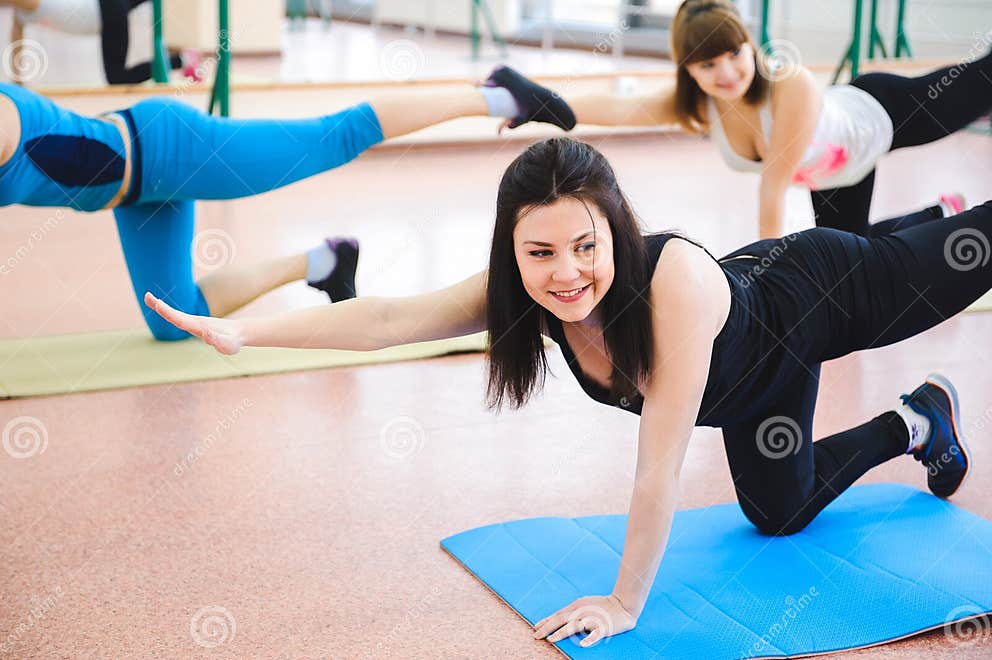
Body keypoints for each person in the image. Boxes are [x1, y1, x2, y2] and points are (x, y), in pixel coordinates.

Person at [143, 136, 982, 646]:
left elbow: (657, 470)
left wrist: (625, 602)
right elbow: (389, 319)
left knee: (965, 252)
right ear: (513, 249)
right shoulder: (527, 288)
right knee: (777, 510)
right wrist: (247, 331)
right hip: (757, 381)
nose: (567, 273)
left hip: (821, 293)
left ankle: (919, 233)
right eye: (539, 253)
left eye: (584, 245)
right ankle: (916, 422)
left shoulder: (674, 285)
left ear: (614, 228)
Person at [0, 77, 574, 338]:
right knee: (169, 322)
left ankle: (498, 95)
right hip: (138, 192)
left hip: (171, 150)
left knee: (336, 136)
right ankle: (322, 263)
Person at [491, 0, 991, 239]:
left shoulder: (789, 84)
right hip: (836, 173)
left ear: (749, 46)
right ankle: (939, 217)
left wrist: (770, 284)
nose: (727, 72)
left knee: (978, 83)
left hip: (880, 115)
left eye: (734, 54)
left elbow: (773, 189)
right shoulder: (696, 103)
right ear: (689, 70)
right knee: (853, 261)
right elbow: (616, 107)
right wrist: (537, 103)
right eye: (709, 64)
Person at [3, 0, 202, 85]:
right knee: (118, 76)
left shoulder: (26, 2)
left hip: (107, 12)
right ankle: (184, 58)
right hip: (108, 14)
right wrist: (19, 85)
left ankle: (183, 59)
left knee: (117, 78)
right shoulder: (20, 14)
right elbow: (17, 48)